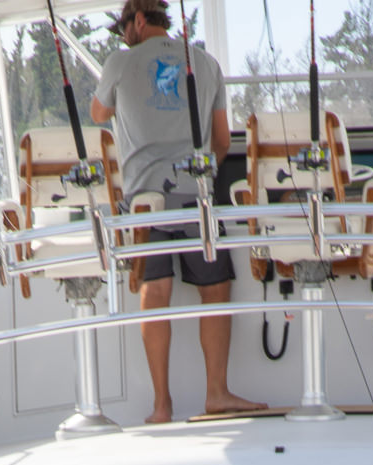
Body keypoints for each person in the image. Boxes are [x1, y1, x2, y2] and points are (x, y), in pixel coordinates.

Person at [91, 0, 264, 424]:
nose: (123, 37)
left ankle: (161, 406)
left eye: (123, 29)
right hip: (195, 196)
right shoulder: (206, 63)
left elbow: (98, 114)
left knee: (155, 293)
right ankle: (217, 393)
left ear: (138, 20)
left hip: (144, 202)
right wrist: (200, 175)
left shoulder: (119, 62)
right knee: (215, 290)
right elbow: (221, 141)